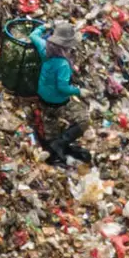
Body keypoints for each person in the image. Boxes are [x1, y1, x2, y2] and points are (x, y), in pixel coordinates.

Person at [32, 23, 88, 164]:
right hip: (57, 101)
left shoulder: (44, 47)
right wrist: (79, 91)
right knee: (84, 120)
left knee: (52, 130)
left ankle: (53, 143)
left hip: (42, 96)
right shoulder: (63, 64)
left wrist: (43, 27)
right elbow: (62, 88)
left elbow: (33, 35)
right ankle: (58, 144)